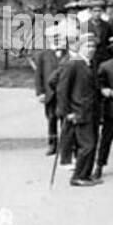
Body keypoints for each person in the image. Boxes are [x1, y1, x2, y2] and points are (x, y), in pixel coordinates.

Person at [56, 33, 100, 187]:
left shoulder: (90, 63)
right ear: (80, 47)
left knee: (93, 144)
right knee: (86, 145)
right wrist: (67, 112)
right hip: (79, 112)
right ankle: (77, 177)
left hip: (92, 112)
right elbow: (62, 90)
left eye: (93, 46)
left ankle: (86, 175)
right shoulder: (73, 64)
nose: (91, 49)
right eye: (88, 46)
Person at [34, 25, 67, 157]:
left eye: (59, 36)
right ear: (48, 39)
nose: (56, 39)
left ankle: (66, 144)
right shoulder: (43, 55)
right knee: (51, 119)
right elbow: (38, 75)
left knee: (65, 119)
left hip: (65, 94)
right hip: (50, 94)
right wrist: (40, 92)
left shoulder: (69, 53)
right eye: (53, 37)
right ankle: (52, 143)